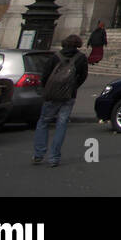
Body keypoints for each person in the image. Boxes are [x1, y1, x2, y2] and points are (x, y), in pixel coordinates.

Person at [32, 35, 89, 168]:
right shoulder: (81, 58)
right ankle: (54, 158)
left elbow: (45, 75)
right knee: (61, 124)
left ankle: (38, 154)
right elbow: (83, 76)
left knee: (43, 122)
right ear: (78, 44)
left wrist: (47, 89)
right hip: (68, 95)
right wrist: (73, 87)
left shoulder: (55, 57)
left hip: (52, 95)